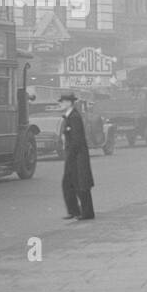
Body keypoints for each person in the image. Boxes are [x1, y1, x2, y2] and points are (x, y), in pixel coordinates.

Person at [60, 92, 95, 221]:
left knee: (81, 183)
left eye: (62, 101)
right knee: (69, 183)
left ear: (69, 103)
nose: (61, 104)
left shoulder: (74, 117)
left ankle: (86, 212)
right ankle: (74, 210)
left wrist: (70, 156)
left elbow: (76, 139)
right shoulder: (69, 117)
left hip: (77, 156)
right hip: (73, 154)